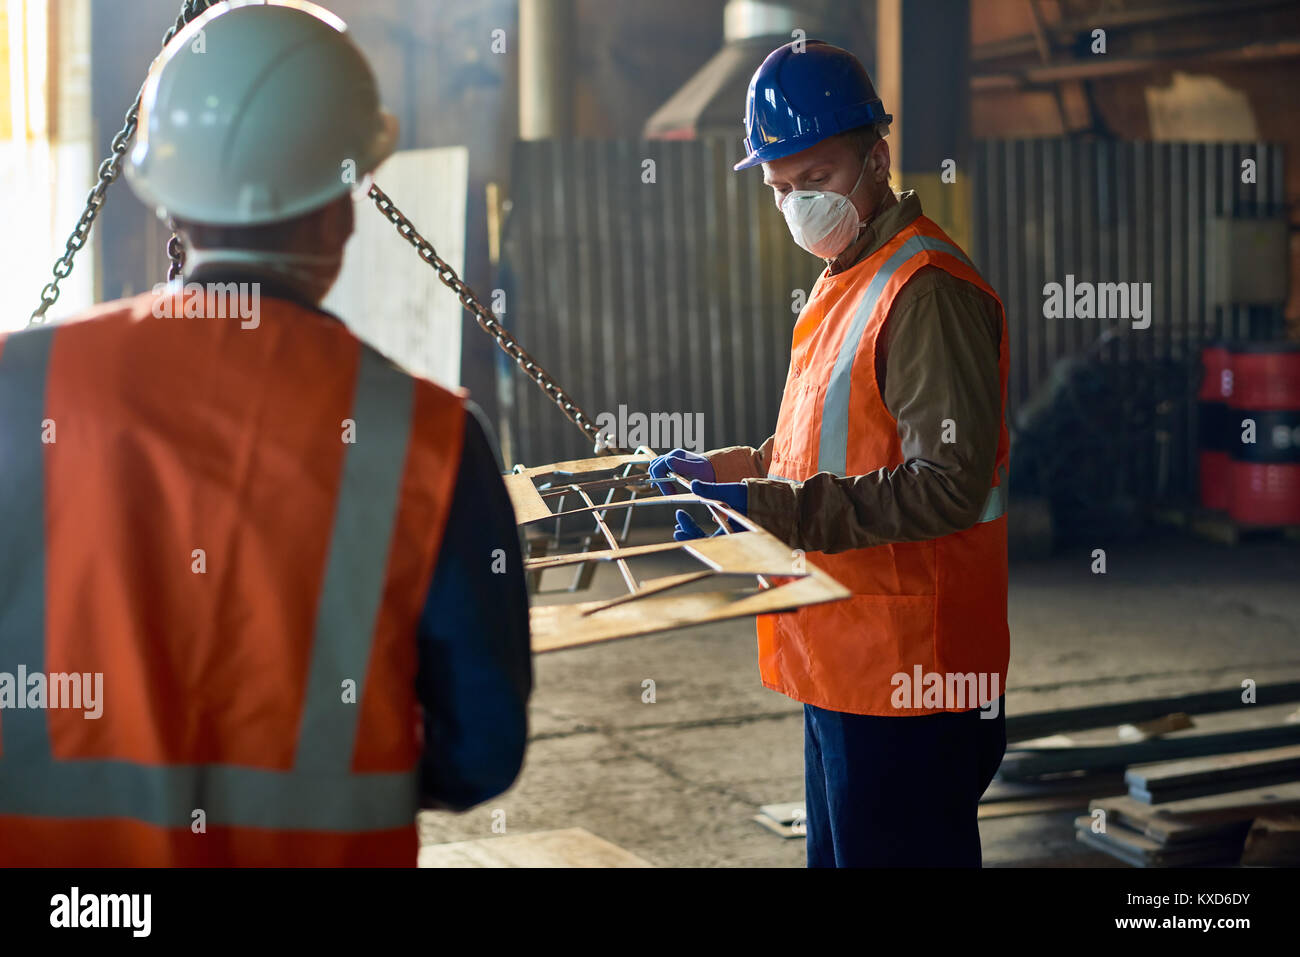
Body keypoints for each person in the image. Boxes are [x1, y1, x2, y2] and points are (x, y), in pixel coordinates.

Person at [0, 0, 530, 866]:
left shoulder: (16, 388)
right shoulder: (427, 438)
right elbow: (481, 750)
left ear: (166, 202)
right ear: (343, 210)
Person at [650, 40, 1009, 867]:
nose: (797, 204)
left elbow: (947, 484)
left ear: (876, 157)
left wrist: (768, 510)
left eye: (814, 180)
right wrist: (734, 469)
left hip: (914, 676)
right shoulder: (850, 274)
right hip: (847, 663)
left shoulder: (926, 289)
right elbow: (827, 437)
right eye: (780, 189)